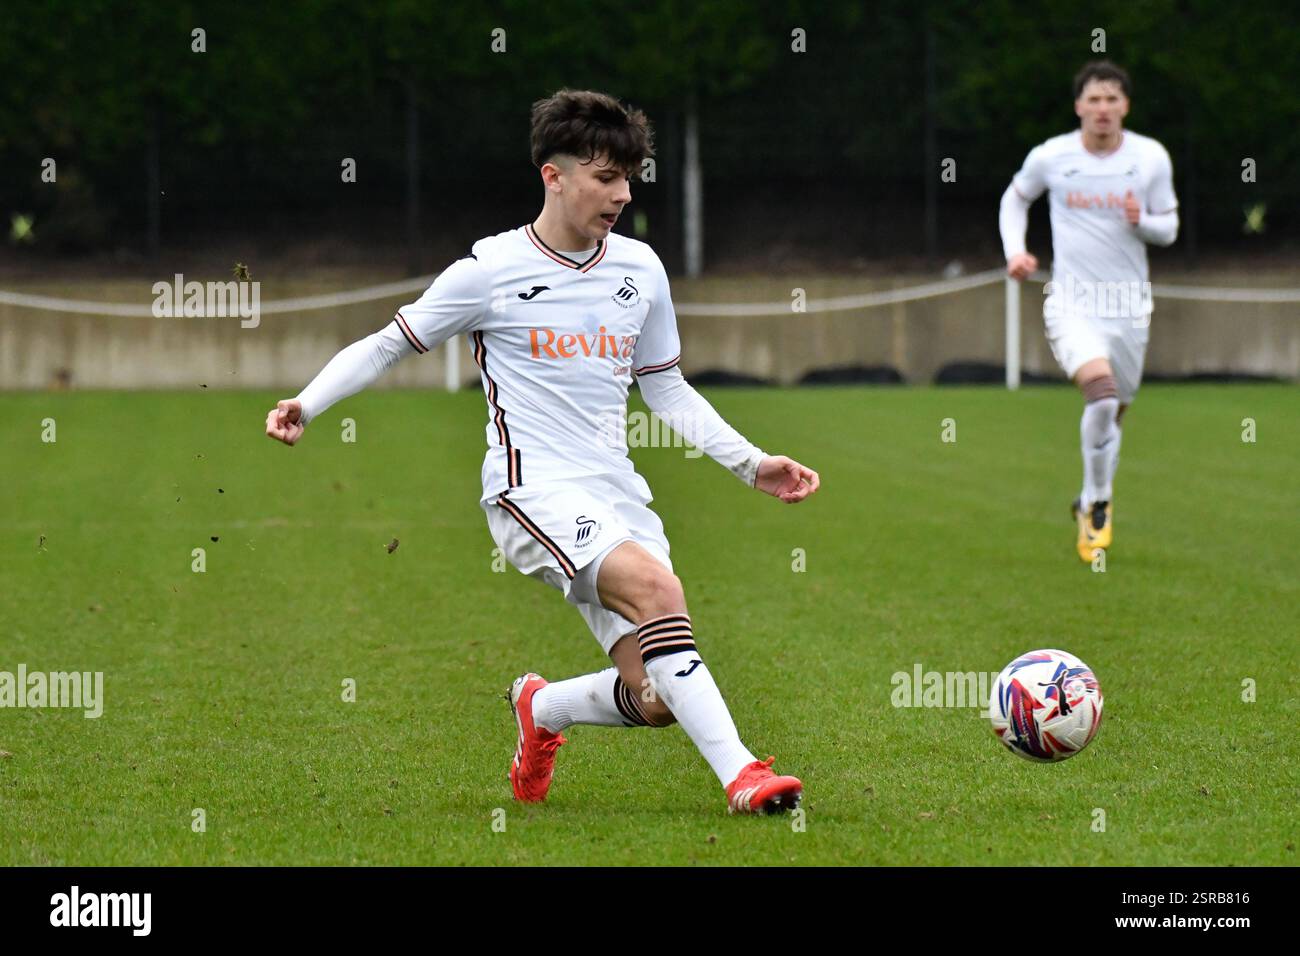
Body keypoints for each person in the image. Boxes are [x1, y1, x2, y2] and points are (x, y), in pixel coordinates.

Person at [265, 89, 820, 814]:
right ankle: (744, 774)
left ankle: (544, 709)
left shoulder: (640, 270)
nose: (621, 193)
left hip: (616, 494)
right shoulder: (488, 272)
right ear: (552, 175)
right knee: (659, 594)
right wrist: (307, 402)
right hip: (530, 491)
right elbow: (386, 345)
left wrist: (752, 463)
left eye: (628, 177)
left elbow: (667, 389)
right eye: (605, 176)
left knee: (654, 697)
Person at [999, 61, 1178, 562]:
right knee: (1100, 398)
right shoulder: (1053, 156)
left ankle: (1086, 494)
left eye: (1112, 99)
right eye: (1094, 99)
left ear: (1126, 106)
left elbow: (1169, 228)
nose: (1103, 109)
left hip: (1128, 307)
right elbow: (1014, 199)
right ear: (1079, 105)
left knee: (1115, 413)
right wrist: (1016, 250)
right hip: (1073, 303)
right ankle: (1100, 504)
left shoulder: (1150, 158)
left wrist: (1142, 220)